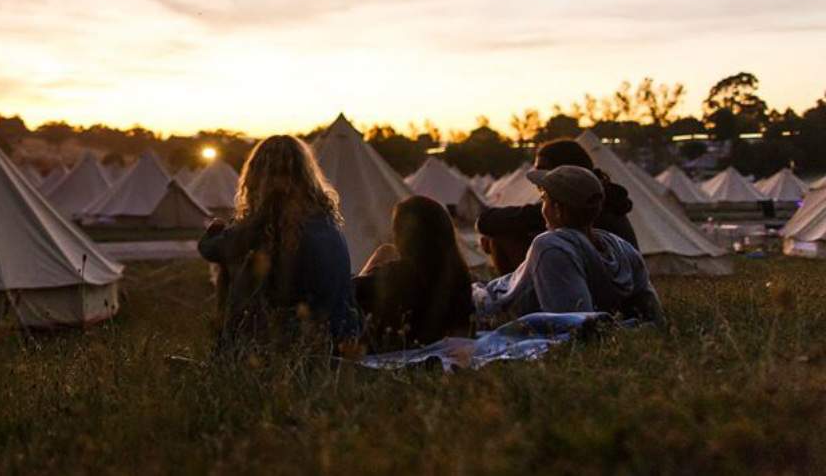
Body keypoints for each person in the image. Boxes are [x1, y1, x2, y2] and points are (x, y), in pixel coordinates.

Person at [197, 135, 361, 353]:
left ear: (256, 177)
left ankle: (227, 349)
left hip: (296, 340)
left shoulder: (264, 223)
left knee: (234, 265)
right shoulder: (325, 218)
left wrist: (216, 229)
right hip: (341, 332)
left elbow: (209, 248)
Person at [475, 165, 662, 323]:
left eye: (544, 200)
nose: (542, 207)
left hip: (485, 305)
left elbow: (573, 323)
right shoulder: (622, 249)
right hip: (492, 289)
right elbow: (653, 316)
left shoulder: (551, 247)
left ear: (557, 209)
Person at [476, 138, 638, 275]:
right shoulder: (602, 198)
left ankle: (516, 301)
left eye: (543, 171)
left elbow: (488, 221)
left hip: (602, 288)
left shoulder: (573, 203)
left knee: (501, 236)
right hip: (611, 282)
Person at [353, 196, 474, 351]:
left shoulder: (396, 275)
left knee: (384, 251)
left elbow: (350, 290)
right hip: (435, 338)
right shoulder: (460, 276)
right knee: (386, 250)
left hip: (398, 343)